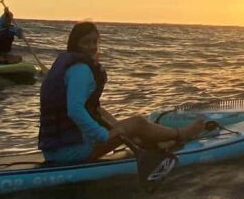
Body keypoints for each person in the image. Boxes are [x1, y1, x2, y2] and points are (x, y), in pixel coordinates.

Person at [38, 22, 205, 164]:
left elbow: (94, 110)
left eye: (95, 42)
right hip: (71, 152)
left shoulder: (68, 65)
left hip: (55, 151)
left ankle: (145, 140)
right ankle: (181, 134)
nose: (91, 47)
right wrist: (104, 136)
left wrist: (119, 131)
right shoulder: (80, 70)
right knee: (138, 123)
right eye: (86, 42)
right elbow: (75, 110)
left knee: (116, 121)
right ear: (75, 44)